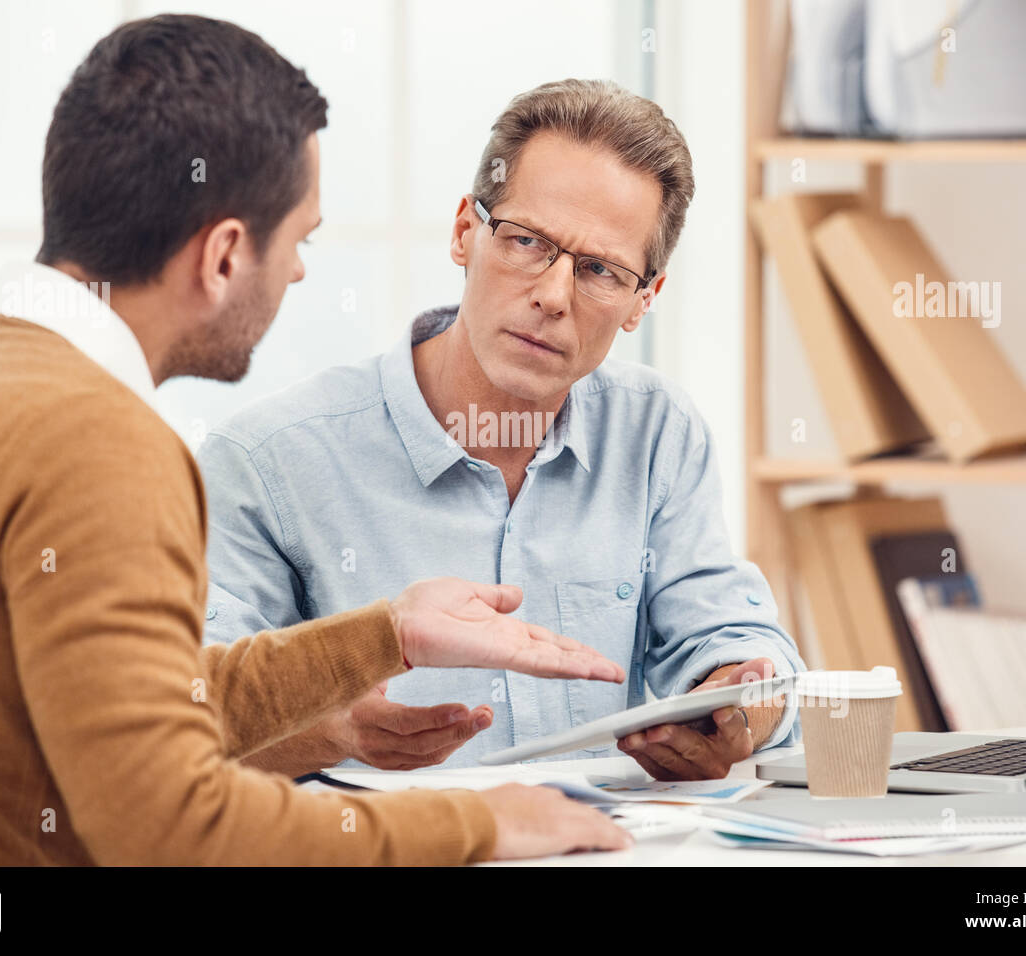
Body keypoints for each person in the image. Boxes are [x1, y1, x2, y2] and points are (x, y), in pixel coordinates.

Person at [0, 15, 632, 865]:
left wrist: (387, 634)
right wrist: (484, 825)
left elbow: (138, 707)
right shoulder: (97, 441)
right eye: (297, 240)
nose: (298, 271)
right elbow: (170, 830)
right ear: (225, 255)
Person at [200, 79, 807, 779]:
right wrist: (329, 733)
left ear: (645, 299)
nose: (552, 296)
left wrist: (737, 713)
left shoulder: (657, 433)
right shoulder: (266, 460)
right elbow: (183, 729)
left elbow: (744, 649)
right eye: (525, 241)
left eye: (600, 271)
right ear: (465, 231)